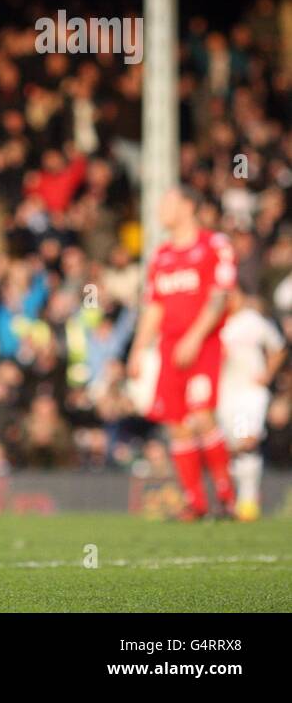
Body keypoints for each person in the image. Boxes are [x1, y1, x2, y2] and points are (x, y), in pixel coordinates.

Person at [129, 187, 237, 519]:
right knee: (177, 424)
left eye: (167, 203)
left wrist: (194, 337)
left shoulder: (213, 245)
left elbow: (220, 296)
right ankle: (195, 502)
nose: (160, 209)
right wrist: (137, 349)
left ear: (188, 206)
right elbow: (154, 307)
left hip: (203, 345)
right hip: (169, 348)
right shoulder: (161, 256)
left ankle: (226, 498)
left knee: (203, 416)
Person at [217, 291, 286, 520]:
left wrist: (267, 374)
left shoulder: (252, 321)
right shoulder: (217, 321)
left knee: (246, 439)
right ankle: (235, 500)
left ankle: (247, 501)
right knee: (233, 446)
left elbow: (278, 347)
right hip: (225, 393)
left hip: (249, 392)